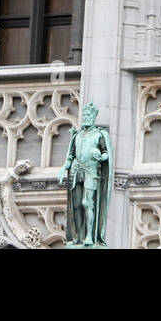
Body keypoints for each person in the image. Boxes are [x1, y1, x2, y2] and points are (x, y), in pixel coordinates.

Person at [59, 101, 113, 247]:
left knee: (87, 203)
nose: (86, 117)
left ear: (94, 117)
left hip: (91, 171)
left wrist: (101, 157)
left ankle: (89, 236)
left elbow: (106, 153)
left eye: (89, 115)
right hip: (76, 170)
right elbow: (71, 154)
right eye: (85, 115)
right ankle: (78, 237)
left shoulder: (99, 134)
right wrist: (65, 166)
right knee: (76, 205)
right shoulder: (77, 135)